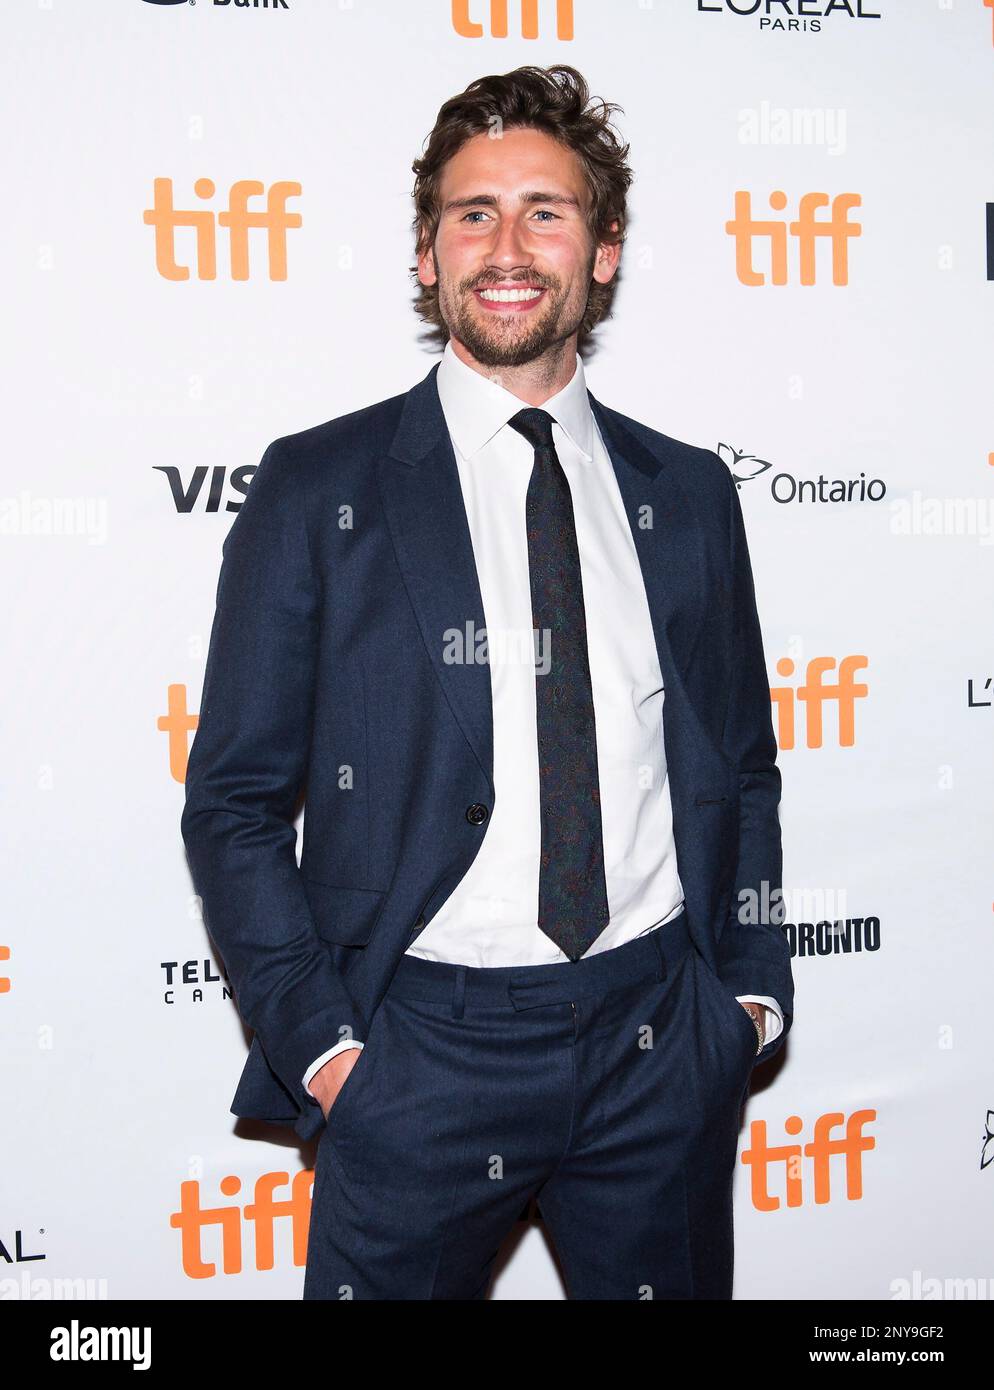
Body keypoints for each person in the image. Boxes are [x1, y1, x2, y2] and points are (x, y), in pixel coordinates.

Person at [181, 63, 794, 1301]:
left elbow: (740, 765)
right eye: (473, 213)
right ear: (427, 254)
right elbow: (235, 801)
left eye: (546, 211)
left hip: (658, 1037)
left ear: (603, 253)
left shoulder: (687, 493)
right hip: (420, 1054)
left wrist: (747, 998)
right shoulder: (319, 489)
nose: (506, 245)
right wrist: (328, 1050)